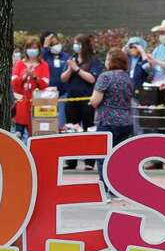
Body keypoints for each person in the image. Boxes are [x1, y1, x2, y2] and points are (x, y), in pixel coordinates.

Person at [90, 50, 136, 201]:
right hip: (126, 122)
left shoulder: (105, 77)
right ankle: (118, 189)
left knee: (103, 156)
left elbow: (96, 100)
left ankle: (105, 190)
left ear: (111, 61)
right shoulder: (128, 78)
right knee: (118, 157)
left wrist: (92, 102)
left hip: (107, 121)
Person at [60, 33, 104, 169]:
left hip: (87, 100)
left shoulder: (93, 61)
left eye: (78, 44)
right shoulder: (71, 59)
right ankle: (71, 160)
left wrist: (77, 69)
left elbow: (92, 79)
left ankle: (89, 161)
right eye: (75, 43)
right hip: (72, 99)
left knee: (88, 128)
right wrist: (70, 68)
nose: (75, 46)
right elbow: (63, 78)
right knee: (71, 129)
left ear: (84, 45)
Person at [10, 38, 48, 143]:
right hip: (21, 106)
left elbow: (45, 86)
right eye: (30, 48)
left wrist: (35, 77)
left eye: (35, 48)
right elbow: (14, 84)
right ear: (26, 50)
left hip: (37, 107)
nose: (32, 50)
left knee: (35, 138)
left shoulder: (43, 65)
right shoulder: (19, 64)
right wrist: (24, 76)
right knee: (18, 136)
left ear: (39, 50)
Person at [41, 31, 70, 131]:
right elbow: (38, 61)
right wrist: (45, 46)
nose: (56, 46)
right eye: (52, 44)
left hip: (63, 93)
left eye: (56, 43)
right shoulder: (45, 55)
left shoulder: (66, 56)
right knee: (47, 124)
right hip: (47, 94)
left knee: (61, 123)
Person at [124, 37, 152, 135]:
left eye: (135, 47)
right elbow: (115, 64)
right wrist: (124, 50)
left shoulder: (144, 59)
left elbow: (147, 67)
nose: (133, 49)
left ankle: (138, 139)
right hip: (125, 94)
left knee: (137, 121)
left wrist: (142, 51)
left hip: (138, 94)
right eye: (131, 47)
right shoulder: (127, 59)